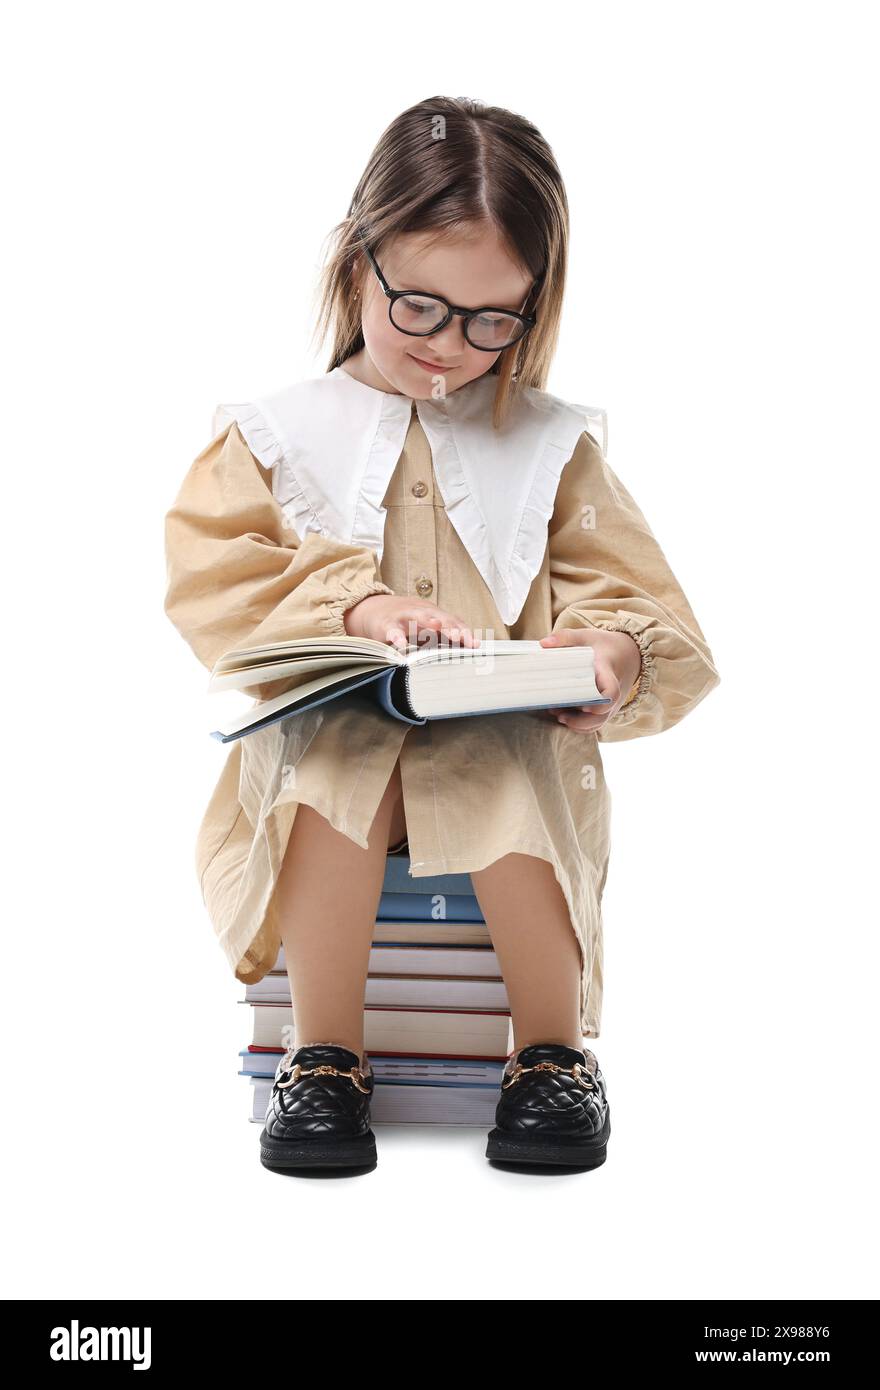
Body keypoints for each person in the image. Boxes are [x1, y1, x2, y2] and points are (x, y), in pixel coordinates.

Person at [163, 95, 720, 1174]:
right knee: (331, 776)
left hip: (498, 725)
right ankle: (324, 1054)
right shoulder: (272, 434)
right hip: (335, 728)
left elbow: (625, 588)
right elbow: (215, 578)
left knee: (511, 770)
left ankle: (550, 1054)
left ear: (532, 308)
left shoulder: (552, 446)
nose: (449, 348)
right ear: (354, 263)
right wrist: (356, 610)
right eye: (417, 306)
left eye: (490, 320)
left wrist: (607, 655)